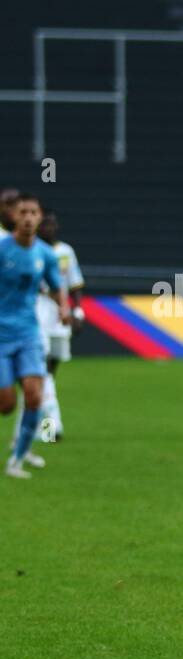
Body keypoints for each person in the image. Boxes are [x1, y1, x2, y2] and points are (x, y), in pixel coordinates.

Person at [1, 193, 69, 479]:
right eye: (23, 212)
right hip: (1, 335)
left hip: (29, 332)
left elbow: (56, 287)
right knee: (6, 405)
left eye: (33, 213)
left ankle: (18, 458)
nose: (28, 218)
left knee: (34, 395)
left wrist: (63, 307)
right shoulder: (2, 250)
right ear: (14, 216)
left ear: (39, 217)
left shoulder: (46, 255)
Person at [34, 210, 84, 441]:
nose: (49, 228)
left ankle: (42, 426)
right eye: (44, 224)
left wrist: (78, 311)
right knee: (42, 371)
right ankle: (52, 424)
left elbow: (75, 284)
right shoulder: (31, 249)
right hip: (38, 312)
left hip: (60, 315)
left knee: (49, 373)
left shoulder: (65, 251)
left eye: (52, 224)